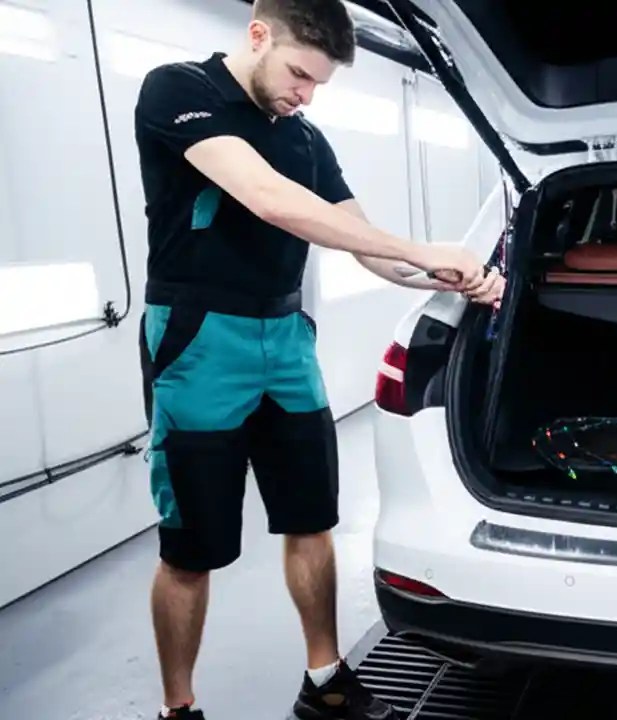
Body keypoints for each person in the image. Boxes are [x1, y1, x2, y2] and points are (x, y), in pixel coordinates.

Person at [132, 1, 502, 718]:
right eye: (301, 74)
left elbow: (364, 245)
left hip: (286, 340)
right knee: (191, 547)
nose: (306, 94)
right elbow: (269, 201)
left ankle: (326, 678)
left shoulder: (303, 138)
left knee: (311, 519)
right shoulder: (179, 90)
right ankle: (178, 708)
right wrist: (422, 250)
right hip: (198, 339)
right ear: (259, 35)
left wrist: (451, 275)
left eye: (319, 84)